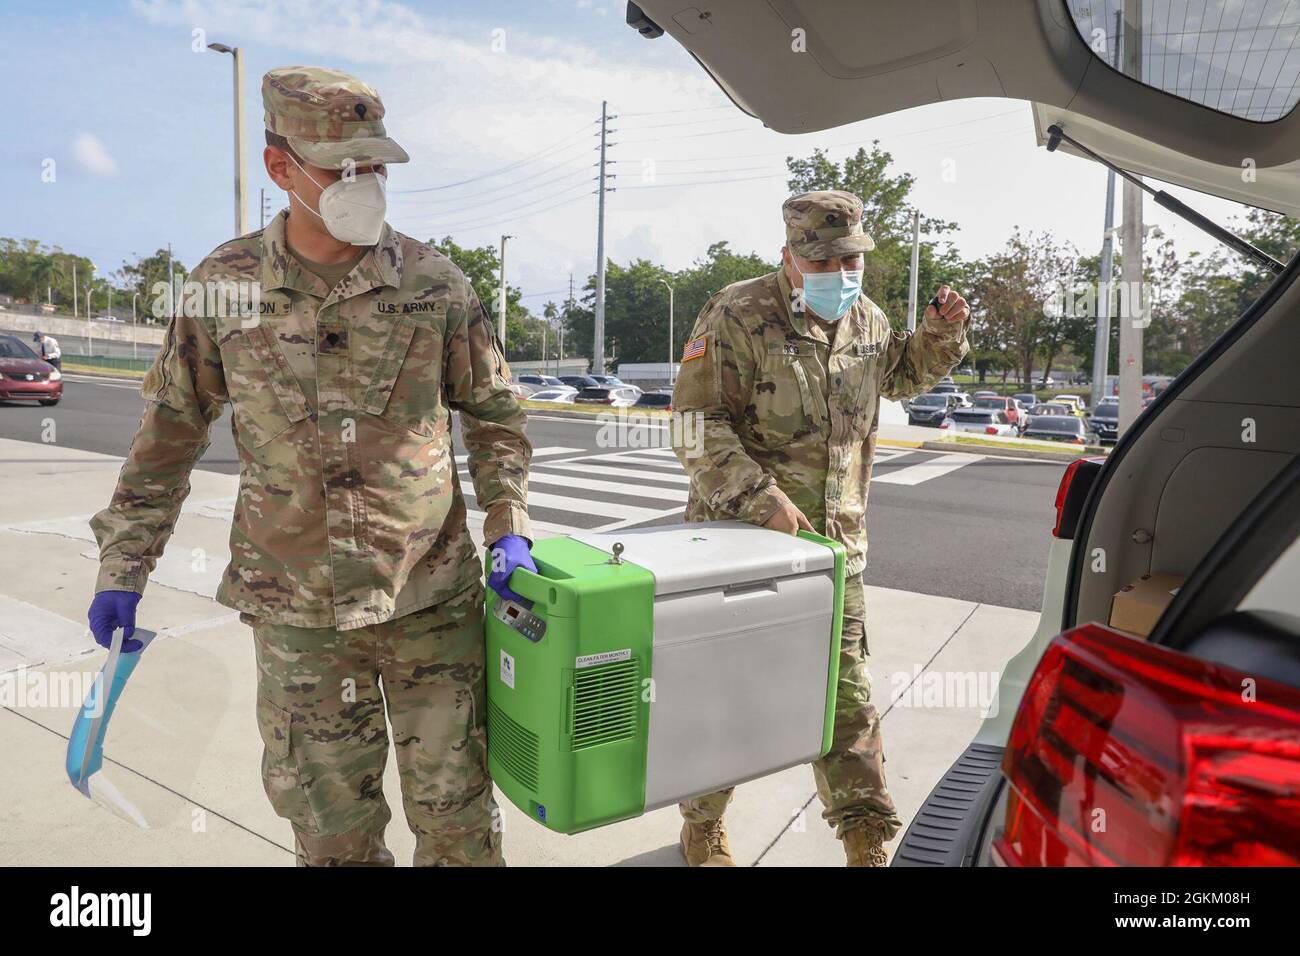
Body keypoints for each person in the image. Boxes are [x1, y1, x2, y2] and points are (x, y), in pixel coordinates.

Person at [86, 66, 537, 866]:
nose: (362, 182)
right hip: (299, 617)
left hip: (429, 600)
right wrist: (126, 562)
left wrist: (510, 525)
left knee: (459, 824)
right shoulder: (223, 287)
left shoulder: (435, 284)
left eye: (375, 165)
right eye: (340, 166)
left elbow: (497, 417)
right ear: (280, 168)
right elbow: (169, 432)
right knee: (331, 837)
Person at [670, 190, 970, 866]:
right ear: (789, 256)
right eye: (824, 260)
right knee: (732, 696)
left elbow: (900, 377)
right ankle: (703, 823)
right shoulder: (737, 313)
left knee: (848, 702)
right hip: (740, 551)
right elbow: (693, 427)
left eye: (851, 258)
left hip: (837, 552)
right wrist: (761, 497)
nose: (841, 272)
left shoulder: (866, 319)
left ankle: (865, 839)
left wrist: (939, 334)